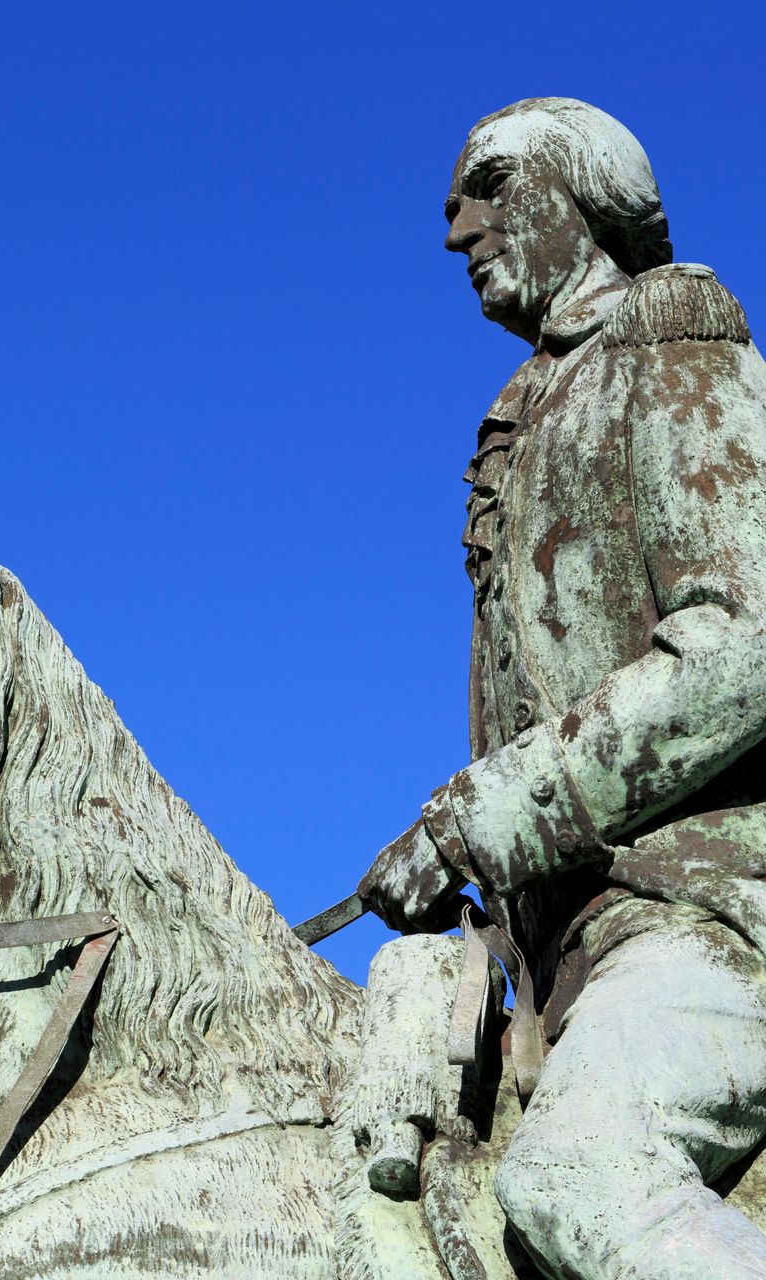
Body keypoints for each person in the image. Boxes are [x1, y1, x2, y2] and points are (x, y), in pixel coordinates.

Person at [359, 97, 766, 1278]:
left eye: (490, 187)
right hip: (559, 952)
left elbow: (744, 641)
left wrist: (482, 815)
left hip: (707, 911)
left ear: (585, 196)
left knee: (575, 1170)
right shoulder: (532, 407)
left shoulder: (675, 355)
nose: (457, 230)